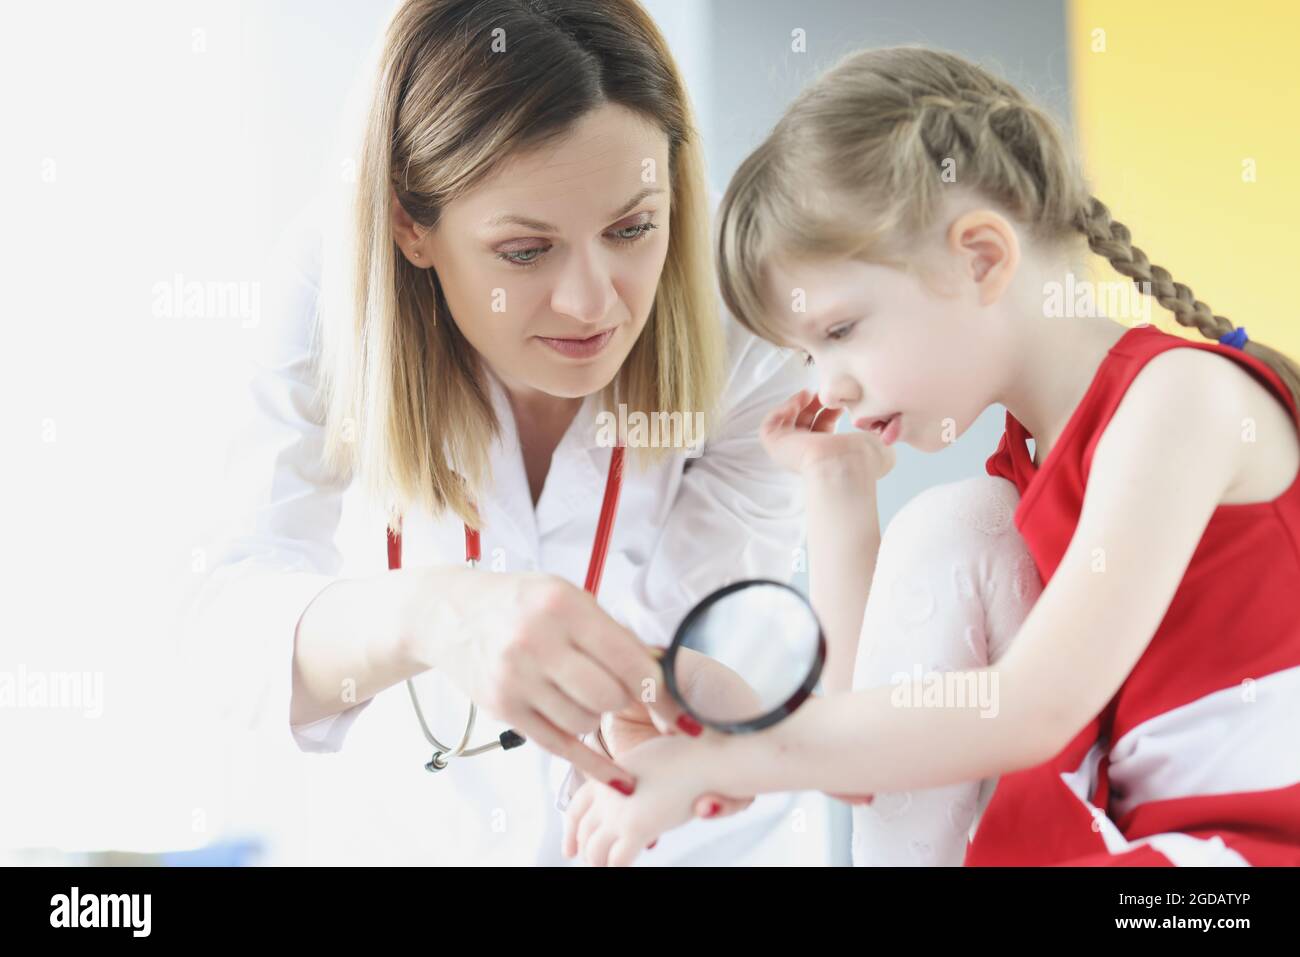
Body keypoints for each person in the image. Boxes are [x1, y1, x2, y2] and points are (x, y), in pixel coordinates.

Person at [563, 44, 1300, 868]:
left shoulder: (1179, 401)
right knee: (951, 529)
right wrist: (837, 484)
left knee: (954, 527)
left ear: (980, 257)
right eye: (807, 357)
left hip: (1235, 866)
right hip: (1145, 853)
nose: (828, 385)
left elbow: (1032, 708)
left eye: (838, 332)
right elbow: (874, 758)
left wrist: (728, 758)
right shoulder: (1025, 467)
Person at [185, 0, 833, 865]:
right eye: (526, 251)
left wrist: (676, 718)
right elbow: (227, 633)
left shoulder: (743, 301)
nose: (593, 302)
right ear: (411, 225)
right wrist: (432, 613)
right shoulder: (322, 286)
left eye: (633, 228)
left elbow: (705, 630)